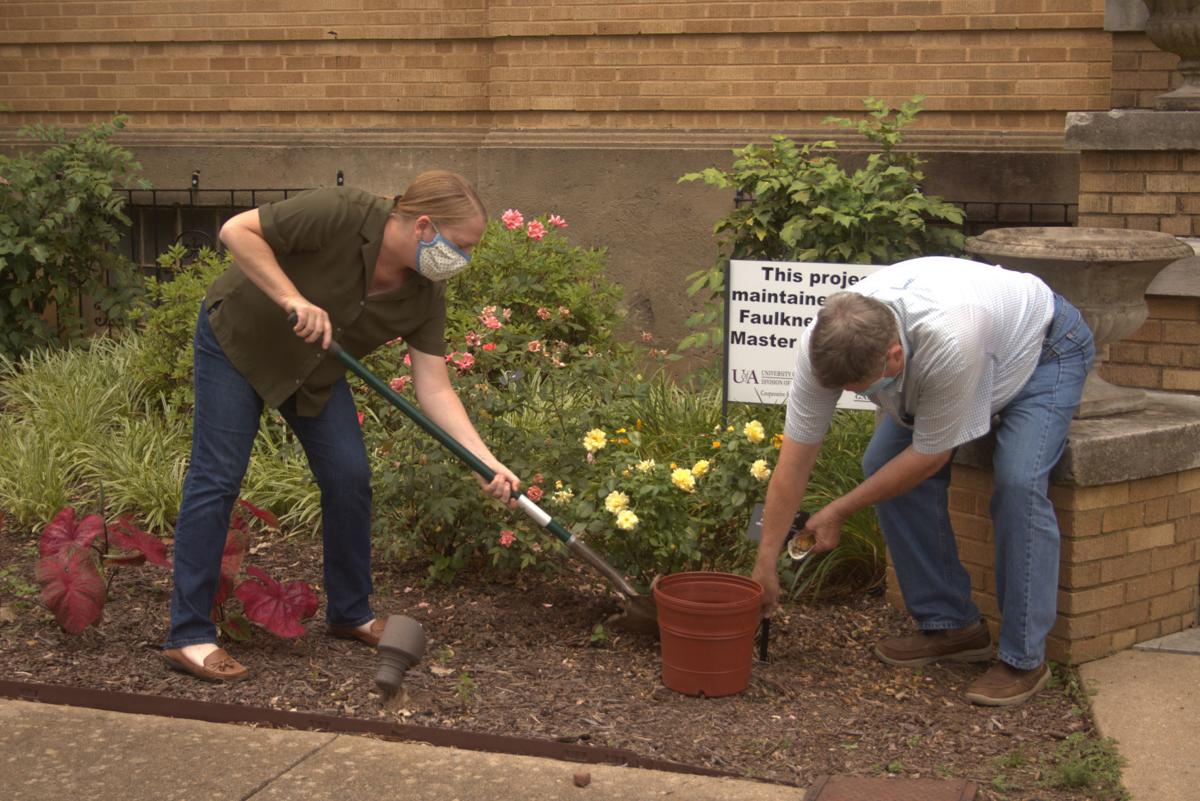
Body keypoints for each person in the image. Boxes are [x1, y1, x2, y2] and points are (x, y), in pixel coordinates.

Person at [162, 171, 520, 682]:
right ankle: (189, 634)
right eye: (460, 246)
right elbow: (237, 231)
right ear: (423, 226)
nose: (462, 259)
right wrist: (293, 299)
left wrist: (485, 461)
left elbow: (435, 388)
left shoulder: (424, 296)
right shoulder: (343, 212)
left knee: (350, 477)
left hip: (315, 371)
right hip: (239, 343)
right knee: (217, 477)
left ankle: (350, 613)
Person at [751, 256, 1094, 706]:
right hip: (971, 350)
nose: (856, 395)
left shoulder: (951, 339)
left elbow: (930, 457)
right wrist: (766, 559)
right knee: (880, 466)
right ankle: (953, 627)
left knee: (1019, 483)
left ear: (894, 355)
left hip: (1045, 350)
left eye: (862, 387)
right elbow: (793, 464)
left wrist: (837, 511)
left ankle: (1023, 659)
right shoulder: (822, 348)